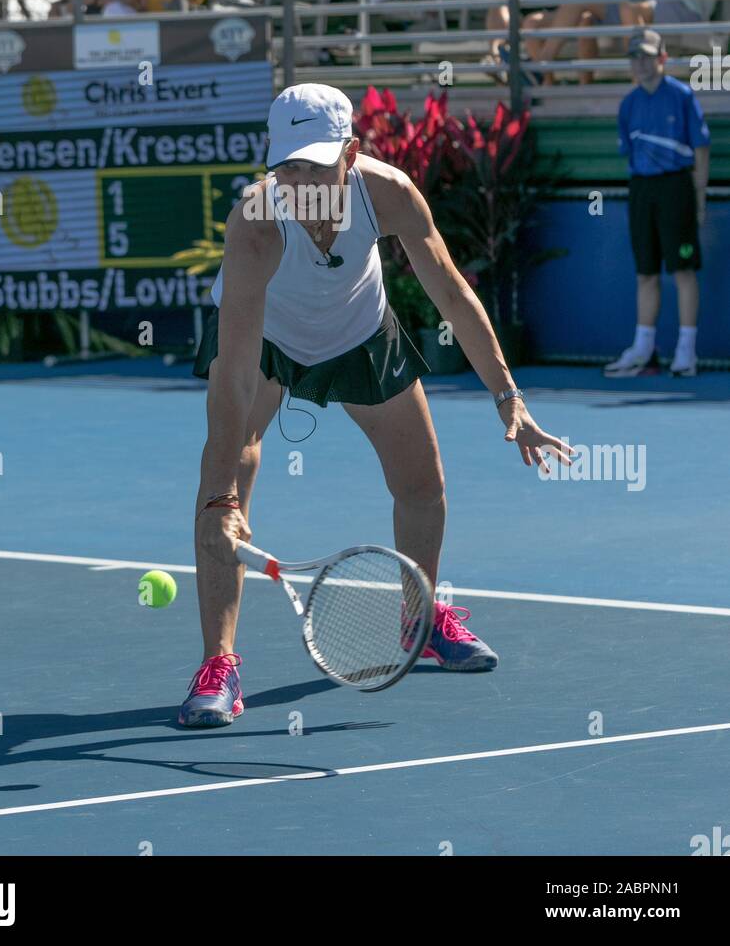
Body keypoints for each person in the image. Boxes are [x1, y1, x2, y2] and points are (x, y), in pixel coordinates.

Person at [180, 82, 571, 726]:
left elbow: (449, 291)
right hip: (269, 342)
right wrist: (221, 490)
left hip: (360, 333)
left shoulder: (386, 193)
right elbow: (235, 377)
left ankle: (419, 622)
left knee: (422, 484)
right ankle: (218, 666)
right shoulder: (255, 223)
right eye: (288, 164)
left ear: (352, 153)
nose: (300, 177)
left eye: (316, 161)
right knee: (225, 488)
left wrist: (509, 396)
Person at [605, 30, 709, 379]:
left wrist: (698, 199)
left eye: (648, 55)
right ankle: (643, 348)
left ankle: (686, 351)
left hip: (676, 189)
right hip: (641, 190)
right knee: (646, 273)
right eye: (635, 56)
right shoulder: (628, 104)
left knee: (682, 271)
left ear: (662, 57)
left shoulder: (681, 96)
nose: (642, 62)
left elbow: (701, 149)